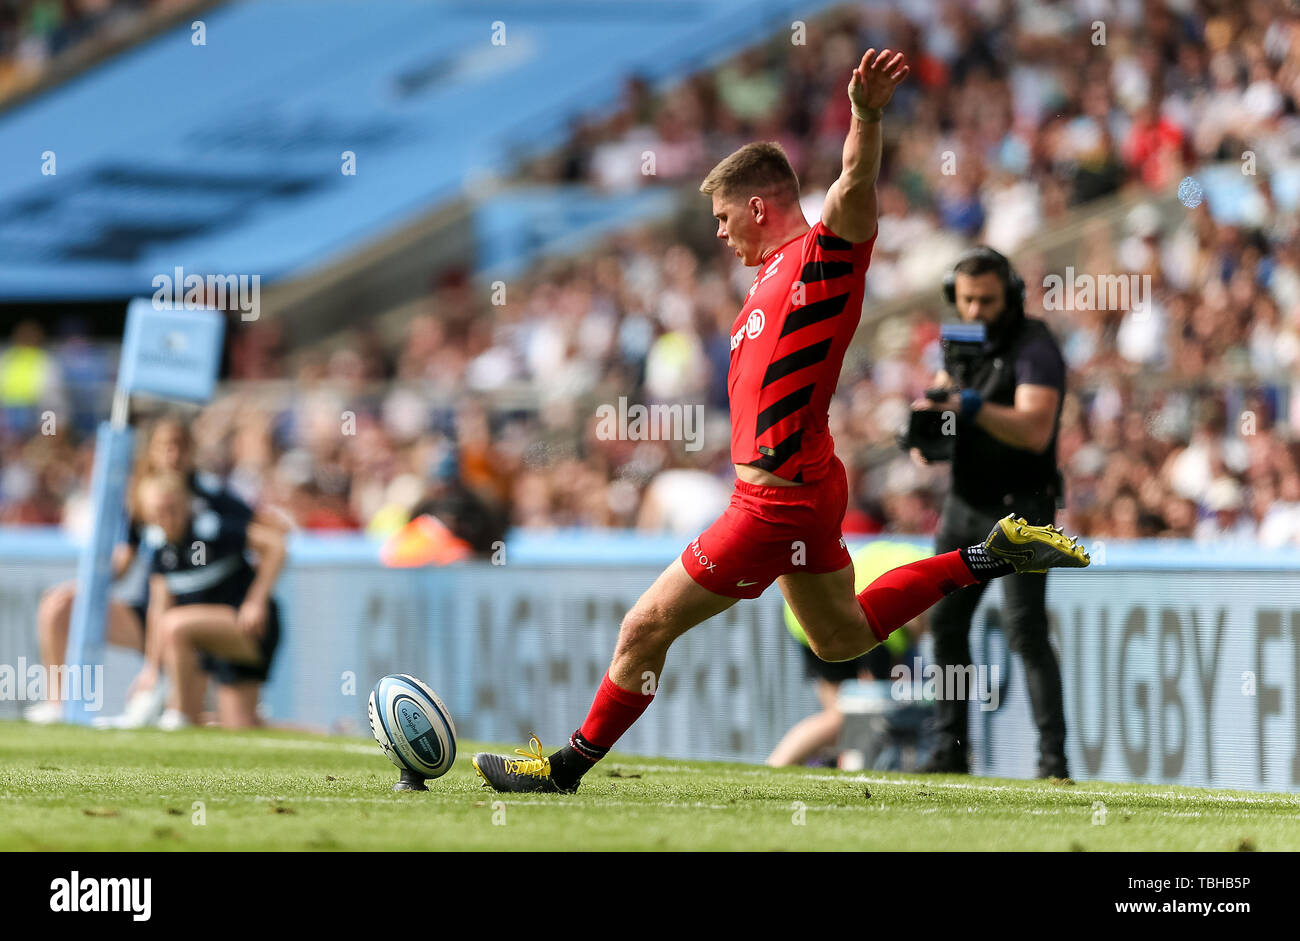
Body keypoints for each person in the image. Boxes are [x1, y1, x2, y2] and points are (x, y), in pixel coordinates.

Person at [472, 48, 1090, 794]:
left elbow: (855, 184)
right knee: (841, 637)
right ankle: (989, 555)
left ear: (759, 206)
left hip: (773, 501)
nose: (722, 233)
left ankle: (564, 768)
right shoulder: (766, 277)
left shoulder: (821, 255)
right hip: (804, 485)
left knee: (643, 628)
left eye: (724, 217)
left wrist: (864, 113)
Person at [910, 247, 1073, 777]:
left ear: (1012, 298)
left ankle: (1052, 762)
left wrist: (970, 408)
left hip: (1021, 510)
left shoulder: (1035, 346)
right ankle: (949, 753)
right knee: (947, 624)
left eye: (987, 300)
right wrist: (928, 430)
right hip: (965, 504)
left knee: (1026, 630)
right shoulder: (960, 344)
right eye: (967, 301)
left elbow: (1034, 429)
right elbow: (943, 402)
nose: (976, 311)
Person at [25, 416, 256, 725]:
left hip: (201, 623)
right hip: (156, 618)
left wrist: (254, 601)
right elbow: (133, 566)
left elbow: (264, 542)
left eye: (180, 447)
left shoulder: (215, 502)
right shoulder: (143, 500)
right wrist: (89, 586)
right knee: (60, 605)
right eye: (165, 447)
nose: (173, 455)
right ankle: (59, 705)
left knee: (226, 722)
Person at [133, 470, 287, 729]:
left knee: (174, 625)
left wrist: (256, 601)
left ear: (185, 504)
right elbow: (158, 608)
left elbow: (275, 546)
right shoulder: (160, 548)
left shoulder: (211, 529)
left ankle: (177, 712)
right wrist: (150, 669)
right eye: (157, 512)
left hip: (249, 628)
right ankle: (335, 735)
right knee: (242, 726)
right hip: (208, 642)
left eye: (171, 509)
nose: (166, 518)